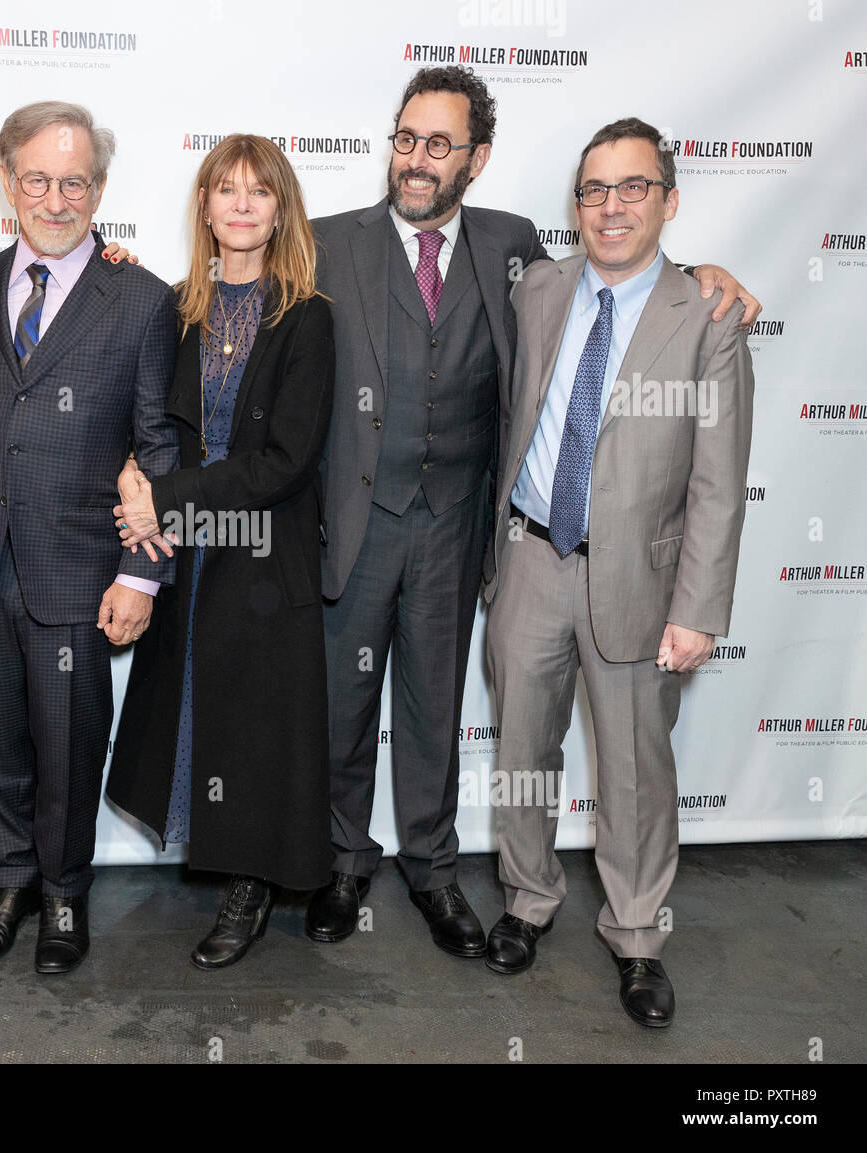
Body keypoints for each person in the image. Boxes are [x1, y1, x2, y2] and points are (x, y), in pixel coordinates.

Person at [306, 65, 760, 956]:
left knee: (439, 713)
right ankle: (341, 863)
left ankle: (436, 872)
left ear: (477, 156)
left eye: (441, 143)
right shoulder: (327, 241)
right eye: (407, 137)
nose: (418, 159)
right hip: (360, 529)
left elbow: (641, 288)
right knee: (345, 709)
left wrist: (707, 274)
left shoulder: (514, 251)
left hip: (459, 535)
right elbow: (233, 292)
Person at [482, 118, 754, 1027]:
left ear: (669, 200)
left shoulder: (706, 314)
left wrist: (700, 607)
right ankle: (525, 902)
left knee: (635, 770)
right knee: (521, 751)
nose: (611, 206)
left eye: (633, 187)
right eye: (595, 189)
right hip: (529, 557)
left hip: (641, 579)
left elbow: (719, 479)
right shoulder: (540, 289)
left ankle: (637, 936)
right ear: (576, 204)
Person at [0, 102, 178, 976]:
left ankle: (62, 894)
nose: (54, 198)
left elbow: (157, 449)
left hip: (82, 570)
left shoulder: (143, 298)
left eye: (73, 181)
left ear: (99, 190)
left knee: (70, 749)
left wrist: (141, 575)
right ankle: (10, 880)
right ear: (8, 182)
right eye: (37, 179)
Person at [107, 135, 335, 969]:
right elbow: (156, 421)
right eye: (225, 189)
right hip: (191, 554)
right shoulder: (177, 306)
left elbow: (287, 461)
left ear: (282, 208)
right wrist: (146, 488)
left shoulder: (308, 314)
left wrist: (164, 499)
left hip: (266, 554)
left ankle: (250, 884)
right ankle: (216, 851)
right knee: (200, 707)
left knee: (256, 723)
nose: (241, 204)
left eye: (259, 191)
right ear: (203, 205)